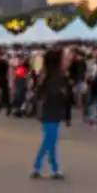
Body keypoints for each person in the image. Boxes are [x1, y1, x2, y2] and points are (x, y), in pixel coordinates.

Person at [31, 48, 71, 179]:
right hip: (50, 110)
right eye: (64, 58)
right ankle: (37, 165)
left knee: (52, 141)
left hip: (54, 111)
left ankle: (54, 168)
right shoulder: (53, 77)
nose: (67, 60)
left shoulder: (57, 75)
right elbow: (53, 94)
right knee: (50, 140)